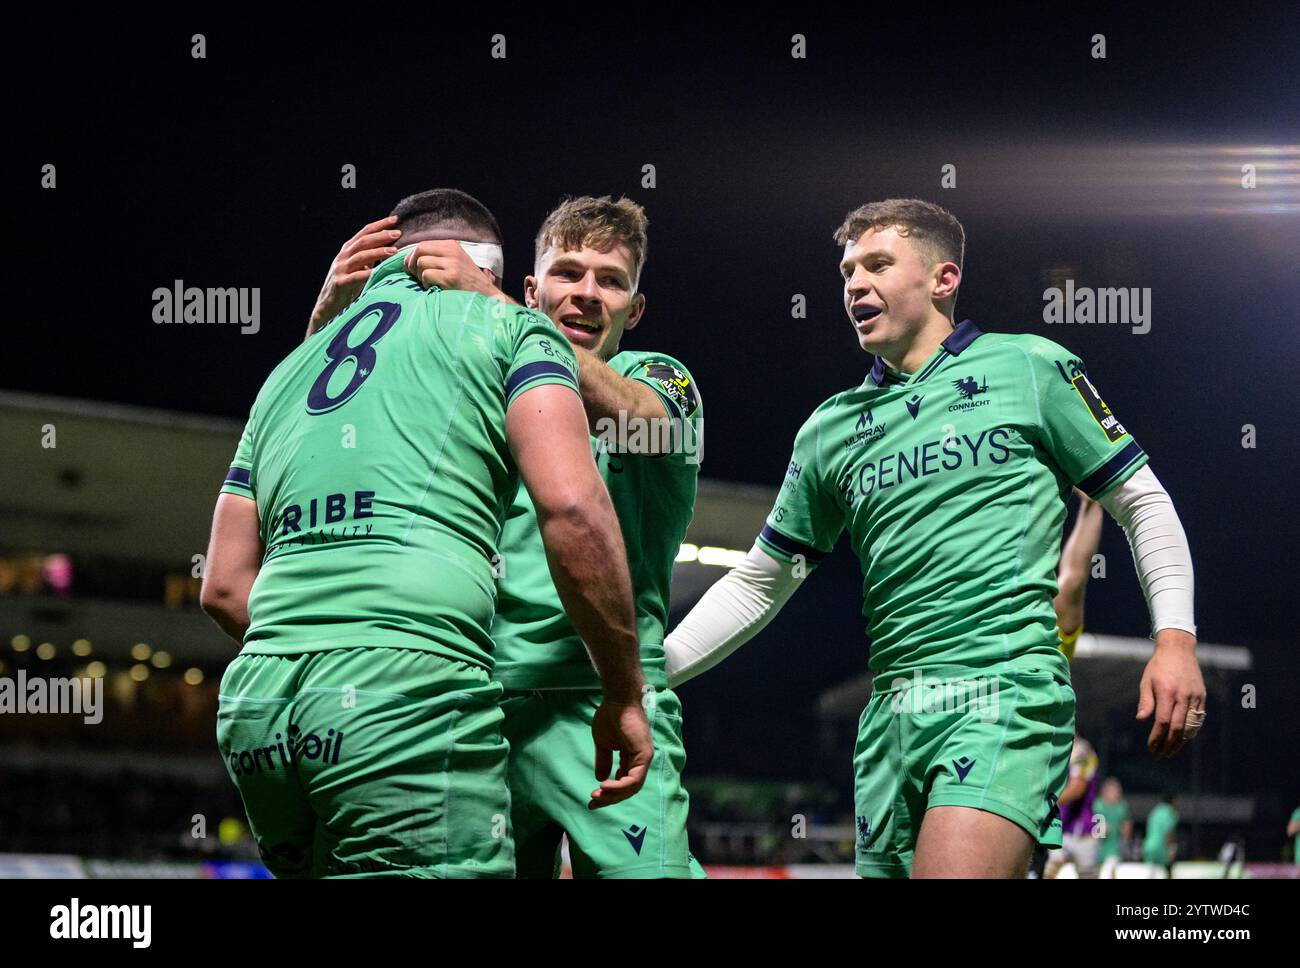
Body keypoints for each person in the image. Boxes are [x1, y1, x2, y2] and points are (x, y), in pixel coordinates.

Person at [663, 197, 1205, 878]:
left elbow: (1142, 501)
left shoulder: (1031, 369)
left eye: (878, 264)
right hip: (887, 717)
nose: (854, 283)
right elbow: (759, 582)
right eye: (847, 271)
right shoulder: (830, 430)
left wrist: (1175, 638)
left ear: (943, 279)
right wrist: (651, 671)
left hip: (1001, 690)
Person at [202, 188, 652, 877]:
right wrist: (623, 691)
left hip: (258, 709)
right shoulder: (510, 330)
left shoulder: (289, 371)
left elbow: (224, 587)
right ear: (494, 273)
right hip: (404, 695)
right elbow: (574, 511)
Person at [310, 195, 704, 878]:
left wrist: (494, 307)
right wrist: (326, 323)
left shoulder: (657, 381)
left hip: (600, 702)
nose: (586, 293)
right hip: (474, 707)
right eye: (567, 273)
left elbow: (639, 417)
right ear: (533, 287)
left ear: (634, 310)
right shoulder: (469, 396)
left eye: (610, 280)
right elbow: (332, 434)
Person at [1093, 777, 1132, 878]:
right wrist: (1101, 829)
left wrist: (1126, 831)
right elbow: (1095, 829)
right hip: (1097, 847)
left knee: (1110, 870)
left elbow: (1127, 826)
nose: (1116, 793)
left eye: (1117, 791)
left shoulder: (1122, 807)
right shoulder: (1097, 805)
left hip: (1114, 848)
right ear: (1104, 792)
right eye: (1112, 791)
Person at [1142, 793, 1180, 873]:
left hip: (1148, 847)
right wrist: (1171, 850)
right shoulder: (1171, 812)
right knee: (1169, 871)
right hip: (1161, 848)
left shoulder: (1155, 811)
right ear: (1173, 802)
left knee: (1151, 874)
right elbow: (1168, 833)